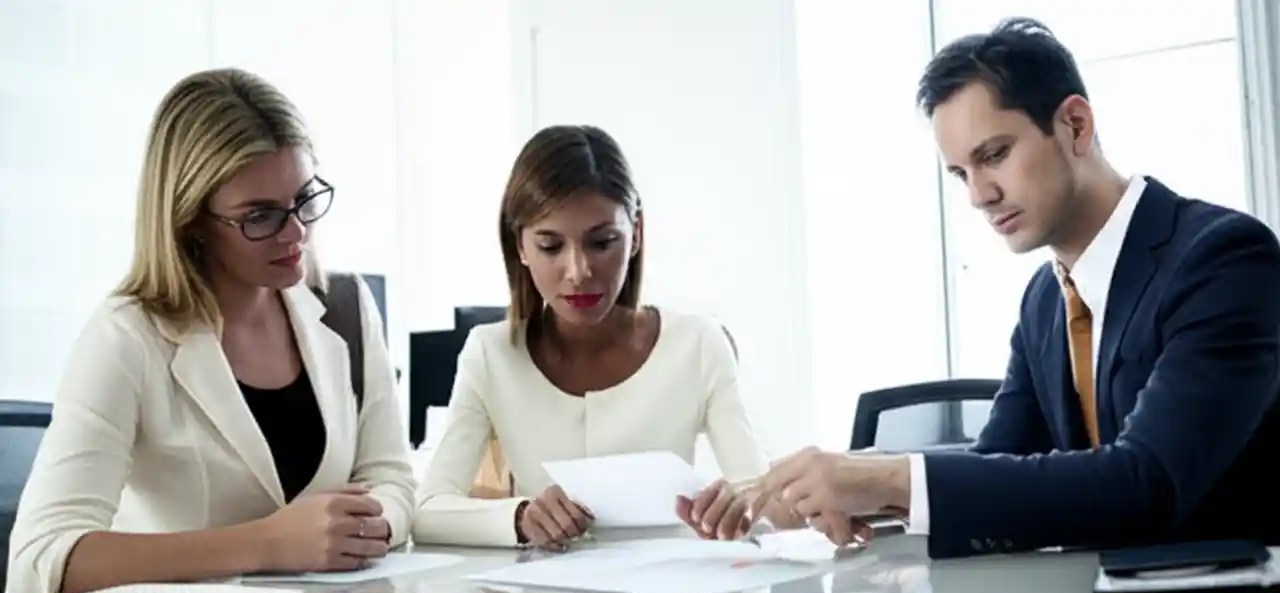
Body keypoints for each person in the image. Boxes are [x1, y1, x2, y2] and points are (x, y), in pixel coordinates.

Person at [749, 17, 1280, 558]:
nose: (980, 195)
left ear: (1075, 125)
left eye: (994, 155)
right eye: (959, 173)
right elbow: (998, 461)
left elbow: (1146, 480)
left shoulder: (1224, 259)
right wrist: (848, 494)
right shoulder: (1046, 299)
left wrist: (890, 480)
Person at [5, 68, 414, 593]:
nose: (296, 233)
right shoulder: (127, 336)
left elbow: (391, 477)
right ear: (190, 219)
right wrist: (267, 544)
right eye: (260, 216)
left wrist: (364, 526)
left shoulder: (344, 306)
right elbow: (41, 562)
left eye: (305, 199)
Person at [411, 125, 796, 550]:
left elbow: (761, 502)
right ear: (519, 246)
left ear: (636, 233)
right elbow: (428, 510)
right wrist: (519, 517)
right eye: (551, 246)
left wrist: (739, 503)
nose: (578, 272)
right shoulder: (491, 353)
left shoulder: (699, 344)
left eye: (602, 242)